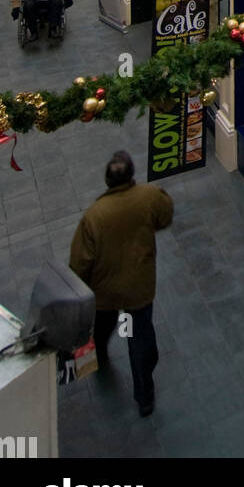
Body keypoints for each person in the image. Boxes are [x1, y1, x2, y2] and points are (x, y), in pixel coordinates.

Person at [69, 151, 174, 416]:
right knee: (140, 340)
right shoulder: (150, 197)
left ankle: (100, 356)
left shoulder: (94, 215)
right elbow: (165, 216)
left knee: (103, 326)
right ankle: (144, 397)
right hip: (139, 286)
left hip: (105, 290)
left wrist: (77, 289)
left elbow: (81, 260)